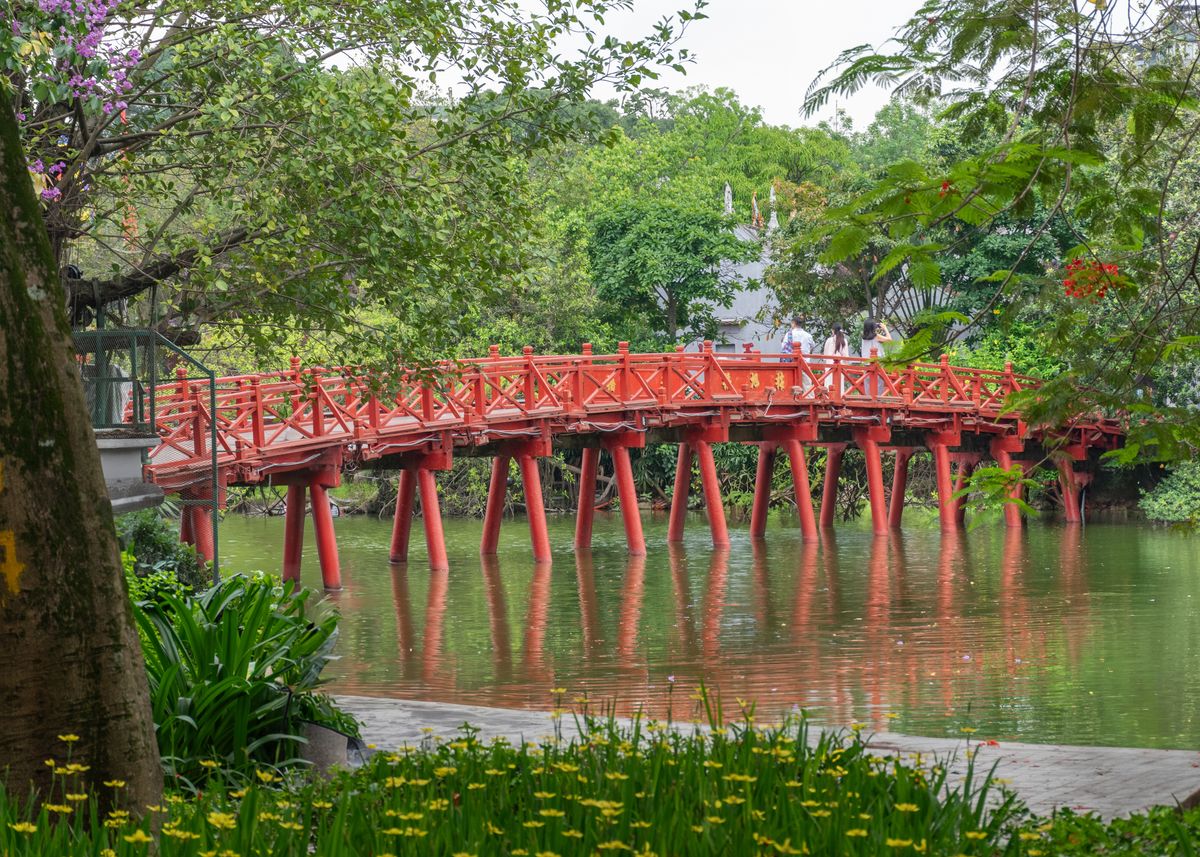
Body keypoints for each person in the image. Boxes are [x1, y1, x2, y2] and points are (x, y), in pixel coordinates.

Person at [860, 317, 894, 397]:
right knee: (879, 382)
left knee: (868, 382)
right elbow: (890, 339)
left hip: (866, 363)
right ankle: (879, 398)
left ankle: (869, 398)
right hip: (877, 363)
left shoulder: (863, 337)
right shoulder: (876, 336)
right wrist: (885, 328)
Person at [821, 322, 850, 393]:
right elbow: (846, 356)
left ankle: (828, 398)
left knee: (829, 383)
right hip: (840, 366)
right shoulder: (844, 341)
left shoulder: (829, 340)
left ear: (833, 330)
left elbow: (825, 355)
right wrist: (846, 366)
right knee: (839, 385)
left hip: (829, 366)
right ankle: (840, 396)